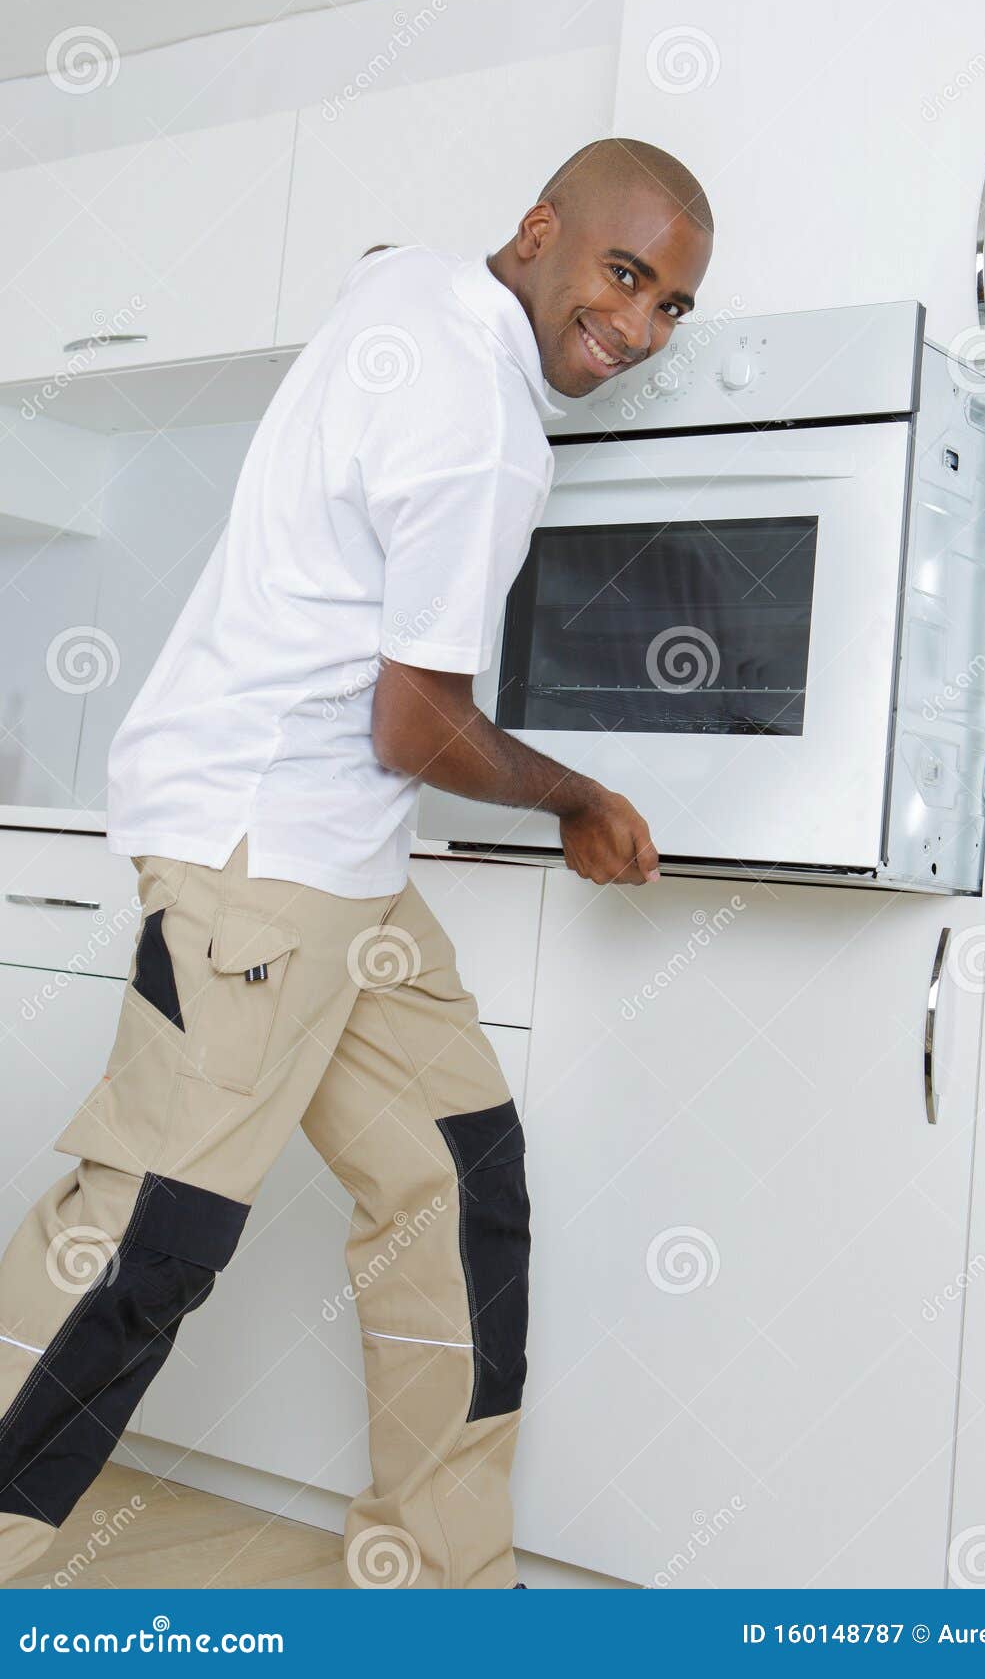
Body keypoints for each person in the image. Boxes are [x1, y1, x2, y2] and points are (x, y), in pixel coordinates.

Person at [0, 138, 712, 1589]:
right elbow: (415, 722)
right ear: (539, 232)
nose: (635, 330)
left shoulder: (411, 300)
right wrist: (576, 792)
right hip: (265, 849)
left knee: (456, 1178)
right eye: (623, 275)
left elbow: (381, 257)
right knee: (150, 1232)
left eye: (670, 307)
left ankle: (442, 1582)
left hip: (341, 865)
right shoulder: (482, 424)